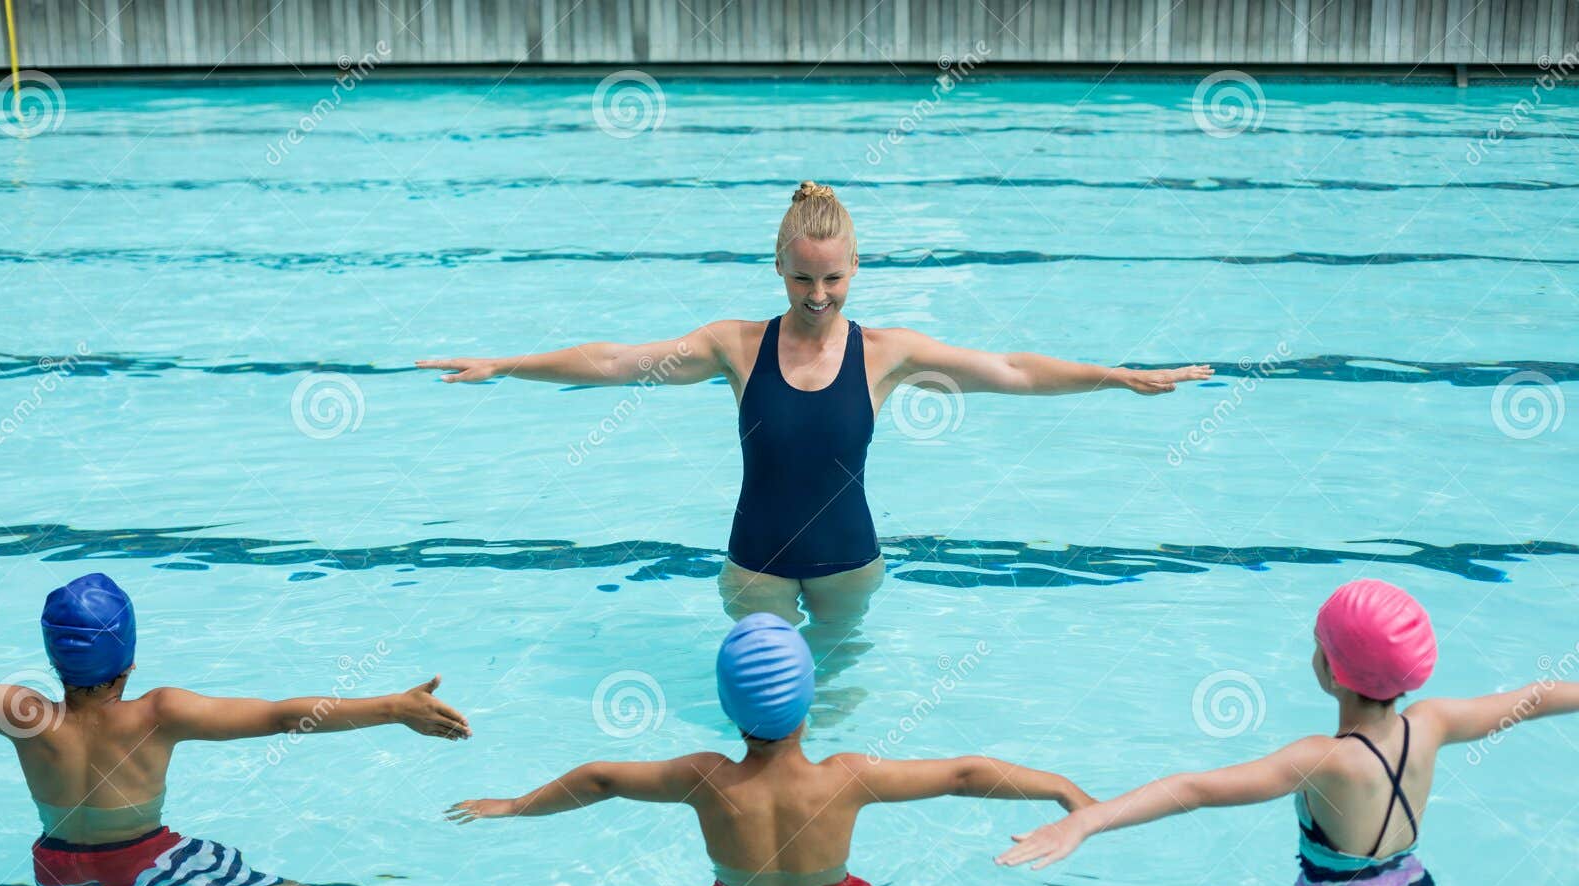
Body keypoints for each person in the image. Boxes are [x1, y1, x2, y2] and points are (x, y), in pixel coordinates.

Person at [417, 181, 1211, 702]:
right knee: (759, 721)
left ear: (856, 267)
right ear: (778, 268)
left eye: (834, 279)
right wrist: (509, 364)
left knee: (834, 720)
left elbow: (1008, 368)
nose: (820, 295)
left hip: (849, 568)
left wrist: (1114, 374)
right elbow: (621, 361)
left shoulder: (886, 351)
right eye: (803, 279)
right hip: (754, 569)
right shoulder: (735, 344)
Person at [448, 611, 1094, 886]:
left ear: (729, 710)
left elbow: (600, 778)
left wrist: (512, 805)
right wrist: (1062, 787)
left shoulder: (705, 778)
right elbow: (963, 773)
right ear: (809, 703)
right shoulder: (844, 777)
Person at [998, 578, 1579, 886]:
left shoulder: (1322, 760)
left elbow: (1197, 788)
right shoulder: (1433, 723)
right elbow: (1533, 699)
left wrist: (1087, 819)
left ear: (1330, 671)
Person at [0, 573, 489, 886]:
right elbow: (282, 716)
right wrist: (393, 707)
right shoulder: (158, 713)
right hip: (146, 858)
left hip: (59, 864)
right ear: (129, 661)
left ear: (53, 657)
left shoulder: (23, 712)